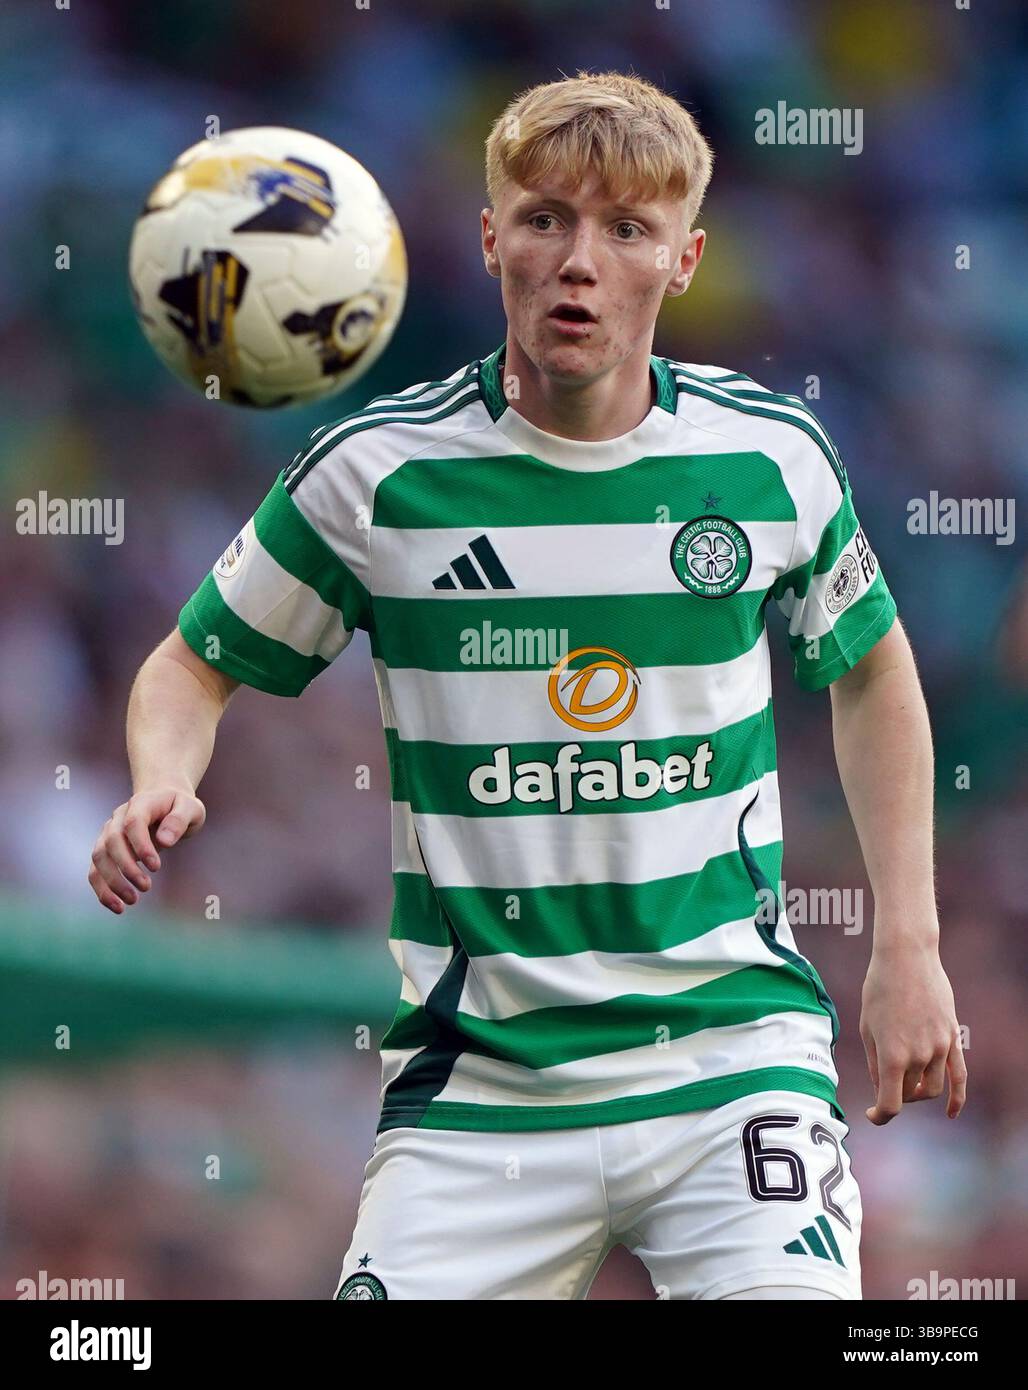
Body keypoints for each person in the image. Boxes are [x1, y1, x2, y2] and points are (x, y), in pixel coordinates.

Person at [88, 69, 966, 1301]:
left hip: (729, 1064)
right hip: (479, 1090)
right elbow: (190, 663)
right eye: (545, 219)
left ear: (684, 258)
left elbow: (871, 672)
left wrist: (907, 946)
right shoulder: (377, 474)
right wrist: (158, 781)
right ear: (490, 236)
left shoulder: (768, 459)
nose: (578, 261)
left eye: (625, 230)